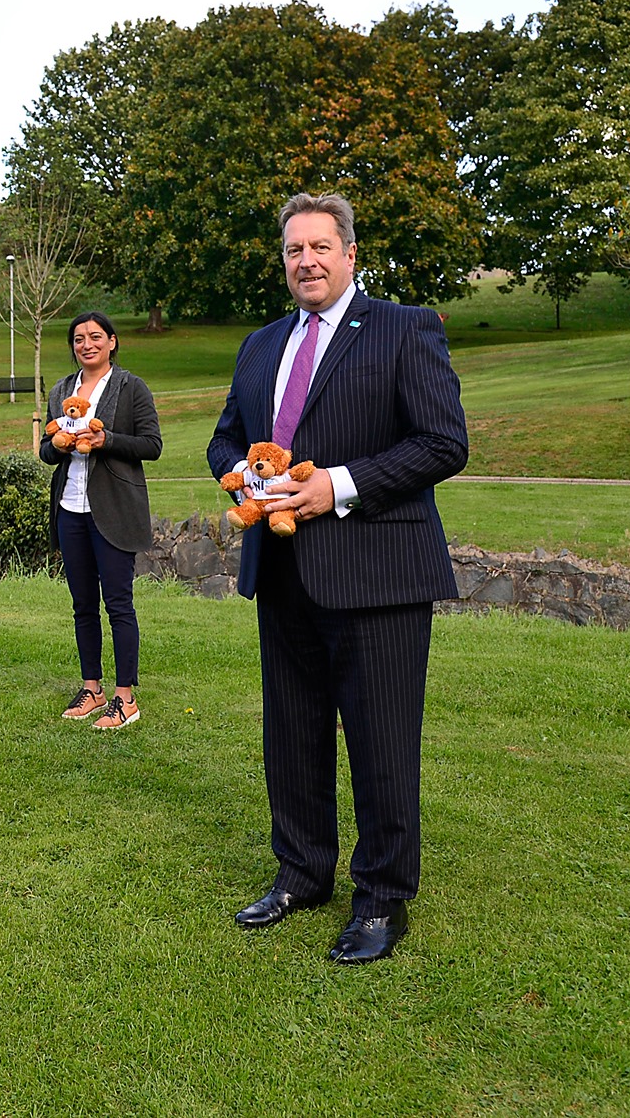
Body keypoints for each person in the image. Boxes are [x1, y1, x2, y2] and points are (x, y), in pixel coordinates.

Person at [207, 193, 467, 965]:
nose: (307, 261)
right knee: (290, 731)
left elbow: (444, 443)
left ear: (351, 254)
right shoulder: (261, 344)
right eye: (294, 249)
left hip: (377, 569)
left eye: (322, 246)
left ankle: (384, 898)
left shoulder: (402, 327)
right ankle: (301, 871)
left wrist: (337, 486)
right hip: (282, 569)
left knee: (383, 740)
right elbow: (226, 436)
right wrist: (240, 476)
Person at [40, 310, 162, 729]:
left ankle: (124, 698)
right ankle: (91, 688)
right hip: (69, 510)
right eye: (78, 339)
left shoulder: (131, 388)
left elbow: (152, 444)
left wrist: (105, 439)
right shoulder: (60, 390)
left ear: (112, 342)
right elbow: (45, 451)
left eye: (95, 337)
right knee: (81, 605)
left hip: (114, 511)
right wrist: (57, 444)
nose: (86, 344)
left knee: (118, 604)